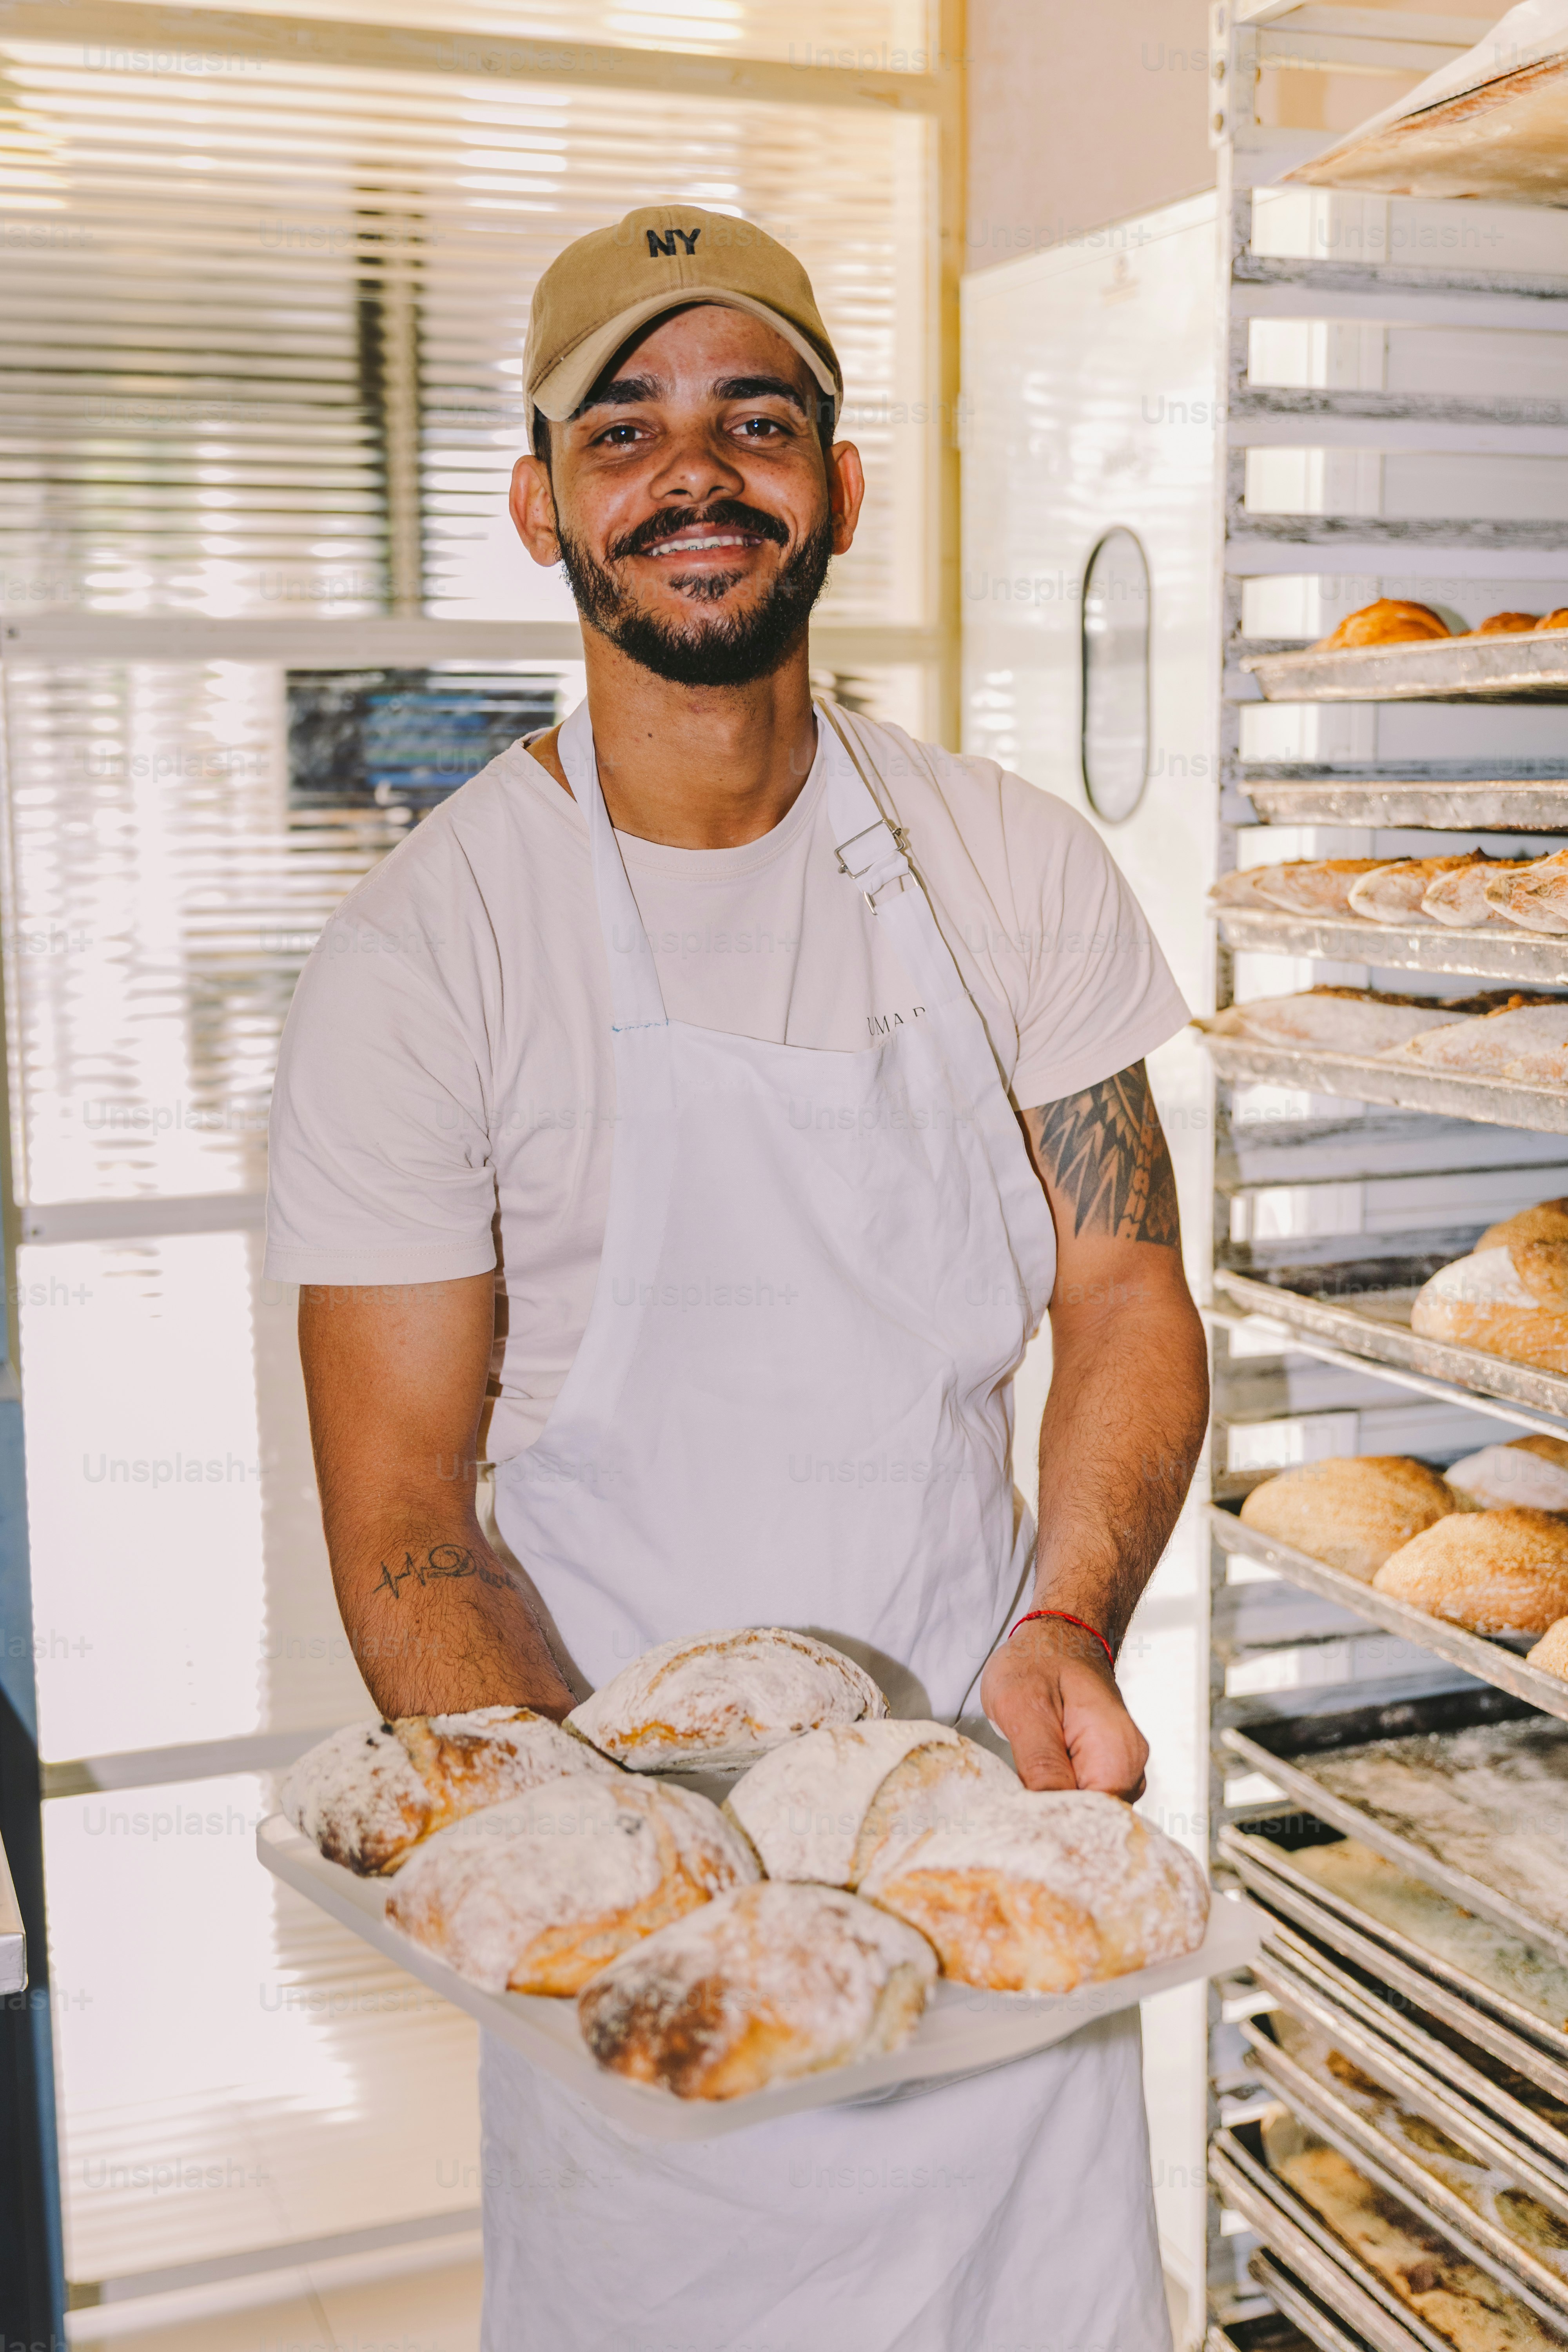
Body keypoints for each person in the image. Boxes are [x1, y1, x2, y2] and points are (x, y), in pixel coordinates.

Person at [265, 201, 1209, 2352]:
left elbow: (1130, 1293)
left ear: (840, 485)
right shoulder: (434, 955)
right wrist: (626, 1873)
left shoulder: (1007, 867)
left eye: (756, 418)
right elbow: (405, 1517)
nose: (697, 472)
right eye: (629, 430)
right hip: (643, 1933)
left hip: (989, 1867)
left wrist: (1067, 1623)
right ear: (543, 504)